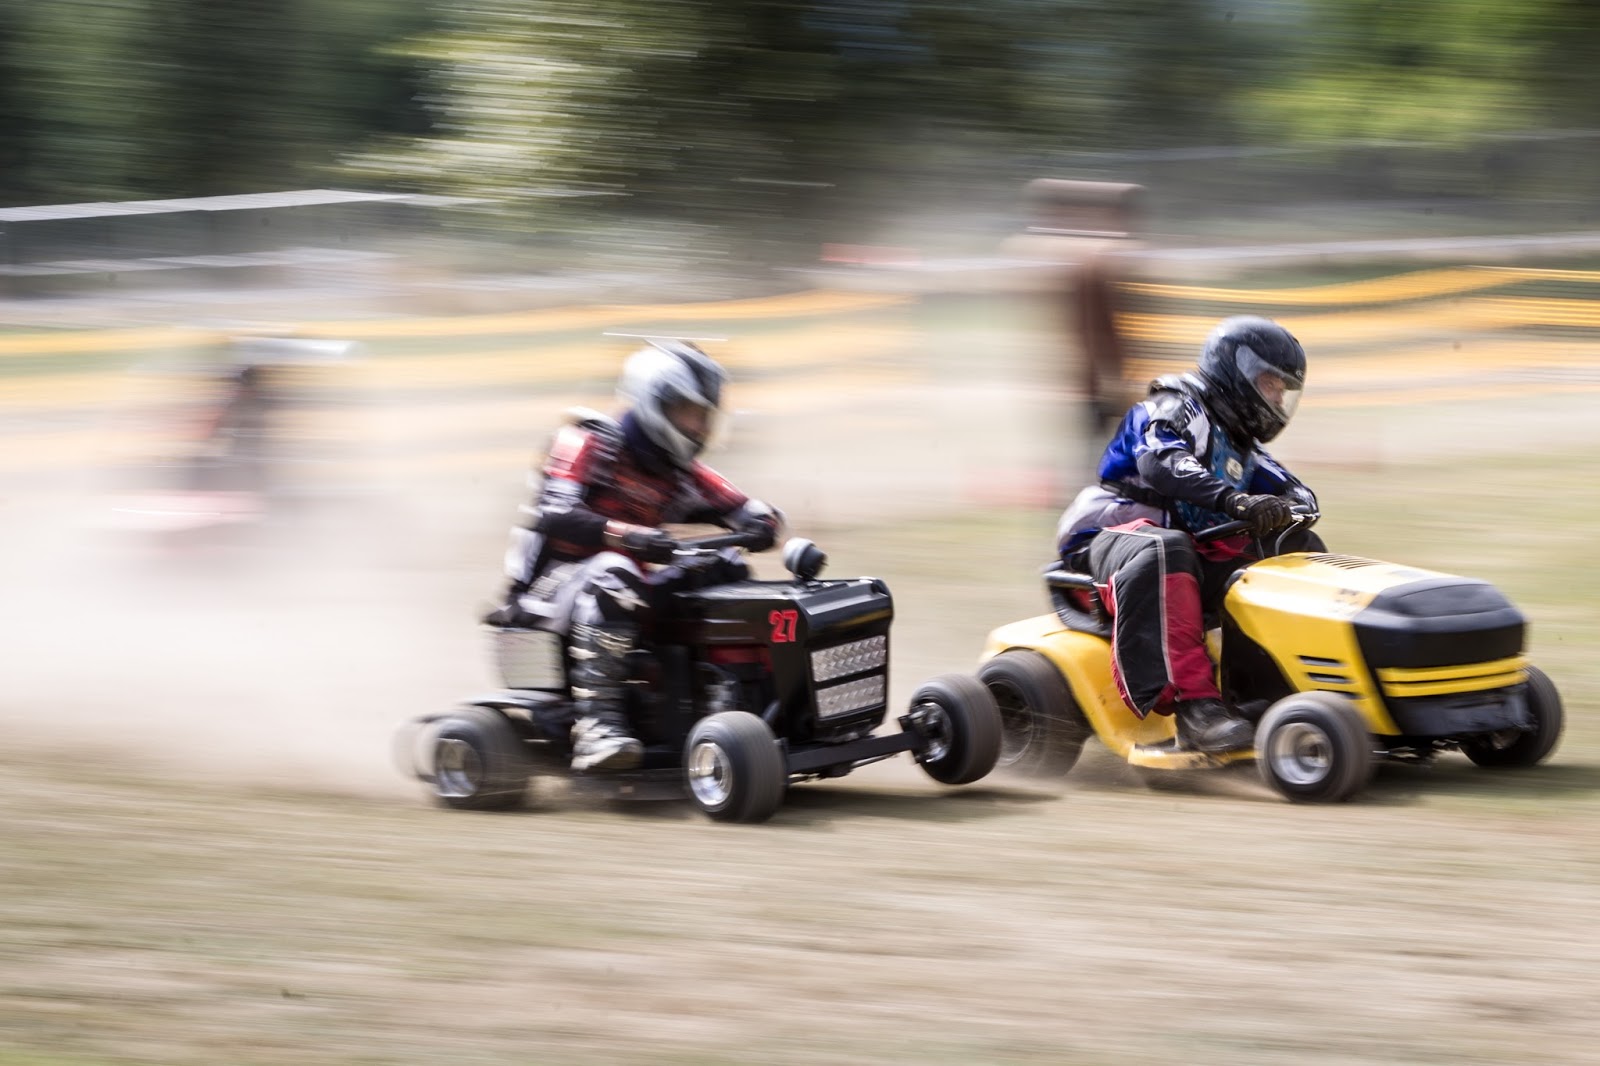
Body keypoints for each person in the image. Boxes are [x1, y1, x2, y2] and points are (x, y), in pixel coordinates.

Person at [485, 340, 782, 772]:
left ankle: (739, 704)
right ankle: (596, 730)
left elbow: (744, 508)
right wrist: (630, 537)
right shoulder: (587, 442)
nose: (697, 427)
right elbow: (557, 513)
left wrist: (764, 523)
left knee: (720, 567)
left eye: (703, 416)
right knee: (614, 569)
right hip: (537, 616)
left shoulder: (678, 475)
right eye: (687, 411)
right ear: (652, 401)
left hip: (621, 601)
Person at [1054, 315, 1324, 753]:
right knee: (1166, 549)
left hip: (1178, 544)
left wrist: (1290, 507)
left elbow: (1295, 492)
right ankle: (1196, 709)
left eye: (1282, 390)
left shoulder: (1241, 443)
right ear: (1238, 373)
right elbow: (1163, 462)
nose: (1276, 398)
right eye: (1270, 384)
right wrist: (1236, 502)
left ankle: (1276, 690)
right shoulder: (1175, 408)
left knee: (1294, 544)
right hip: (1105, 537)